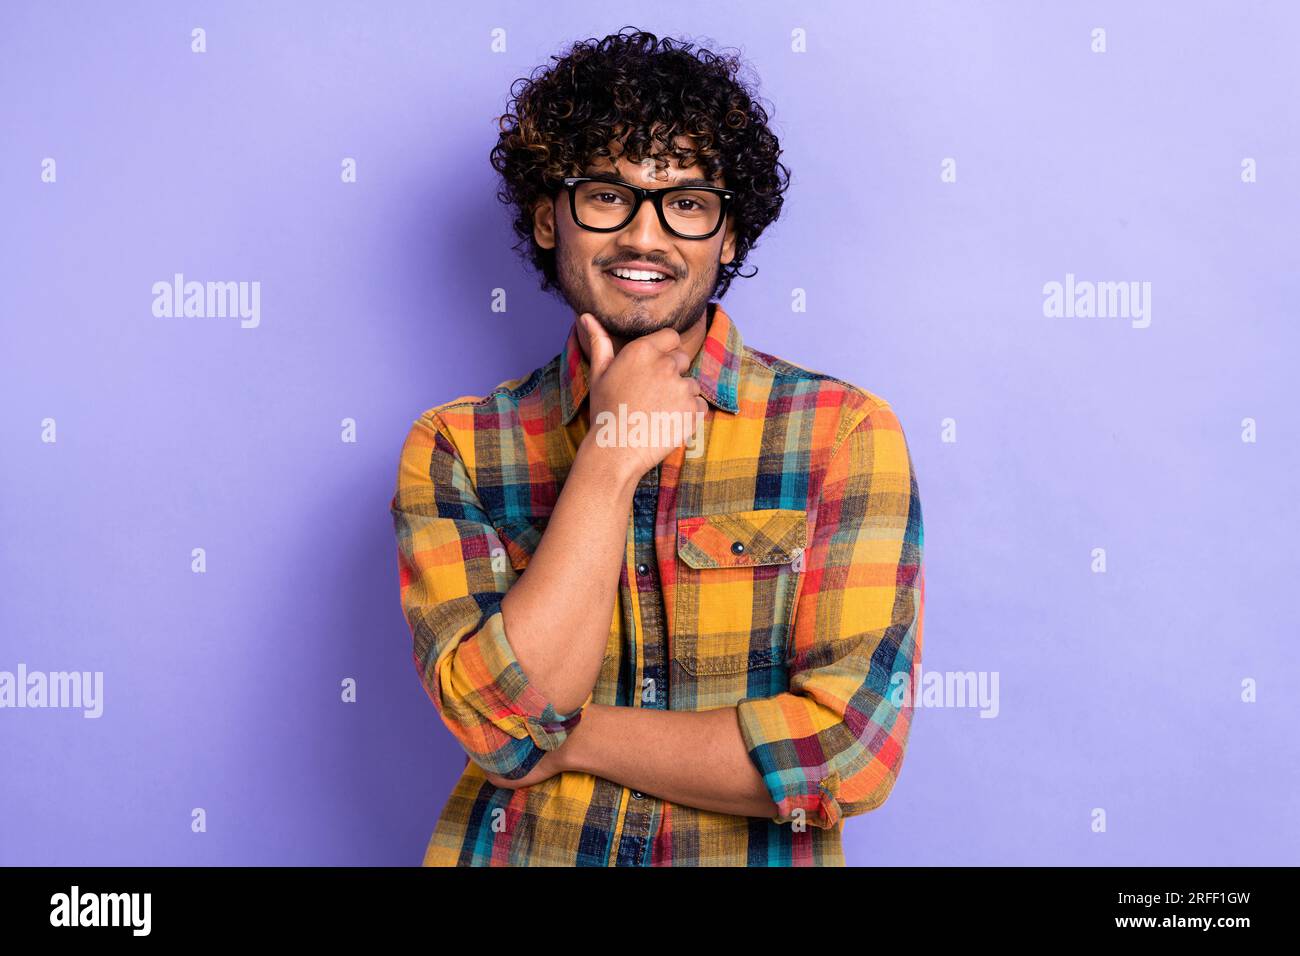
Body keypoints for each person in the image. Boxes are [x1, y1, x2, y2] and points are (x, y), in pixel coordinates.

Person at [390, 27, 925, 866]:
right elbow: (500, 726)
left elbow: (844, 754)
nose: (645, 235)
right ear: (545, 217)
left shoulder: (841, 434)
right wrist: (609, 457)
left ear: (730, 237)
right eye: (608, 194)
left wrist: (561, 738)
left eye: (686, 202)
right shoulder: (459, 446)